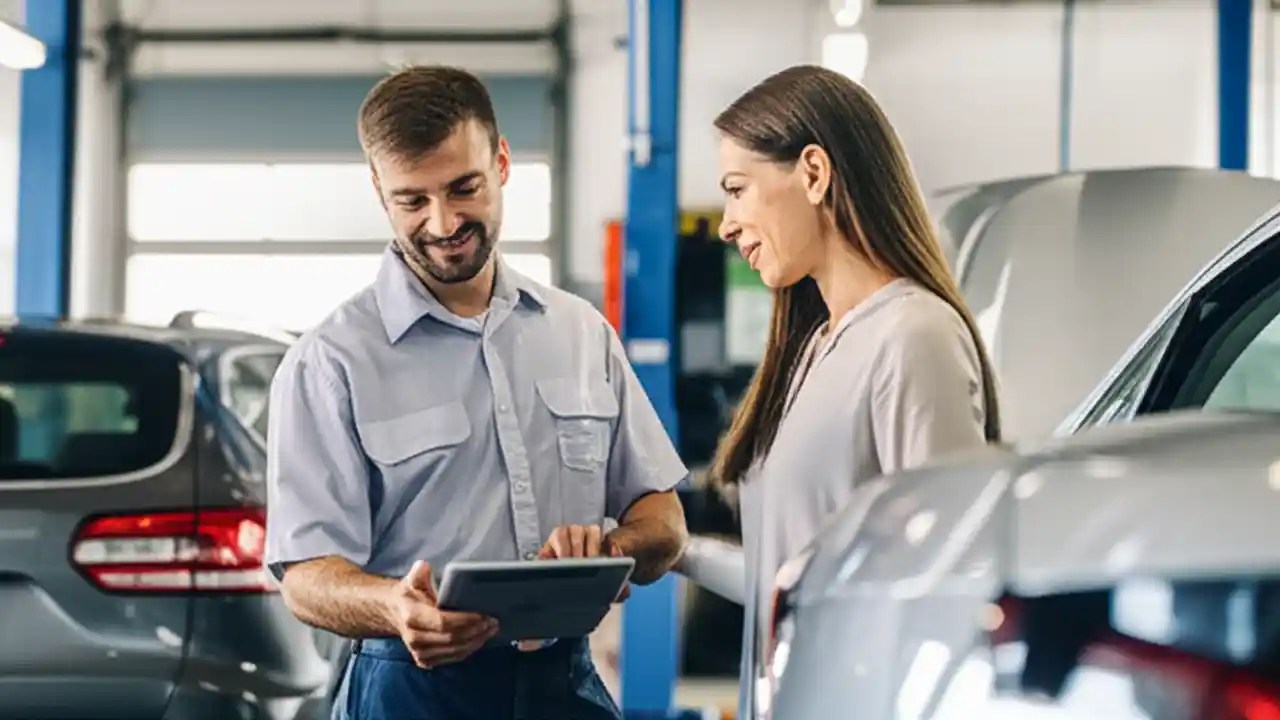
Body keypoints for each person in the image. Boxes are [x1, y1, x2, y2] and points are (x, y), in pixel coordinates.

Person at [263, 65, 689, 720]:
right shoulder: (332, 362)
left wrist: (608, 553)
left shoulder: (581, 335)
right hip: (409, 687)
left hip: (564, 683)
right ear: (379, 191)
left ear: (503, 162)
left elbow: (663, 522)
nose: (443, 221)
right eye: (412, 200)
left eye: (465, 188)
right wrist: (393, 608)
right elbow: (305, 578)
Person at [675, 65, 1003, 717]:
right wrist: (676, 553)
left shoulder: (913, 336)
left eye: (738, 191)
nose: (727, 224)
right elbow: (793, 585)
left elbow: (942, 588)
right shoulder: (813, 350)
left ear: (815, 173)